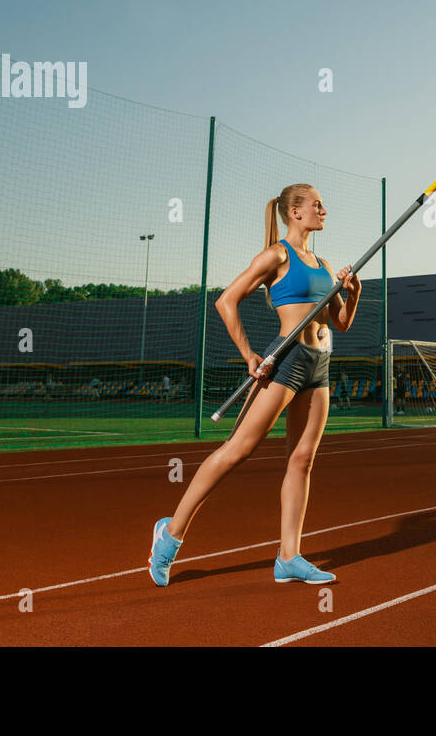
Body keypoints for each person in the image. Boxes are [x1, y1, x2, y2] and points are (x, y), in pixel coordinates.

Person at [147, 183, 361, 587]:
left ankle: (289, 557)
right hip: (287, 361)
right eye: (317, 205)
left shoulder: (325, 264)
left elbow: (341, 322)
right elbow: (226, 300)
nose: (324, 210)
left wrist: (354, 293)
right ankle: (169, 534)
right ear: (294, 212)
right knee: (237, 450)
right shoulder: (276, 255)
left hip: (321, 365)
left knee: (302, 460)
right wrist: (249, 355)